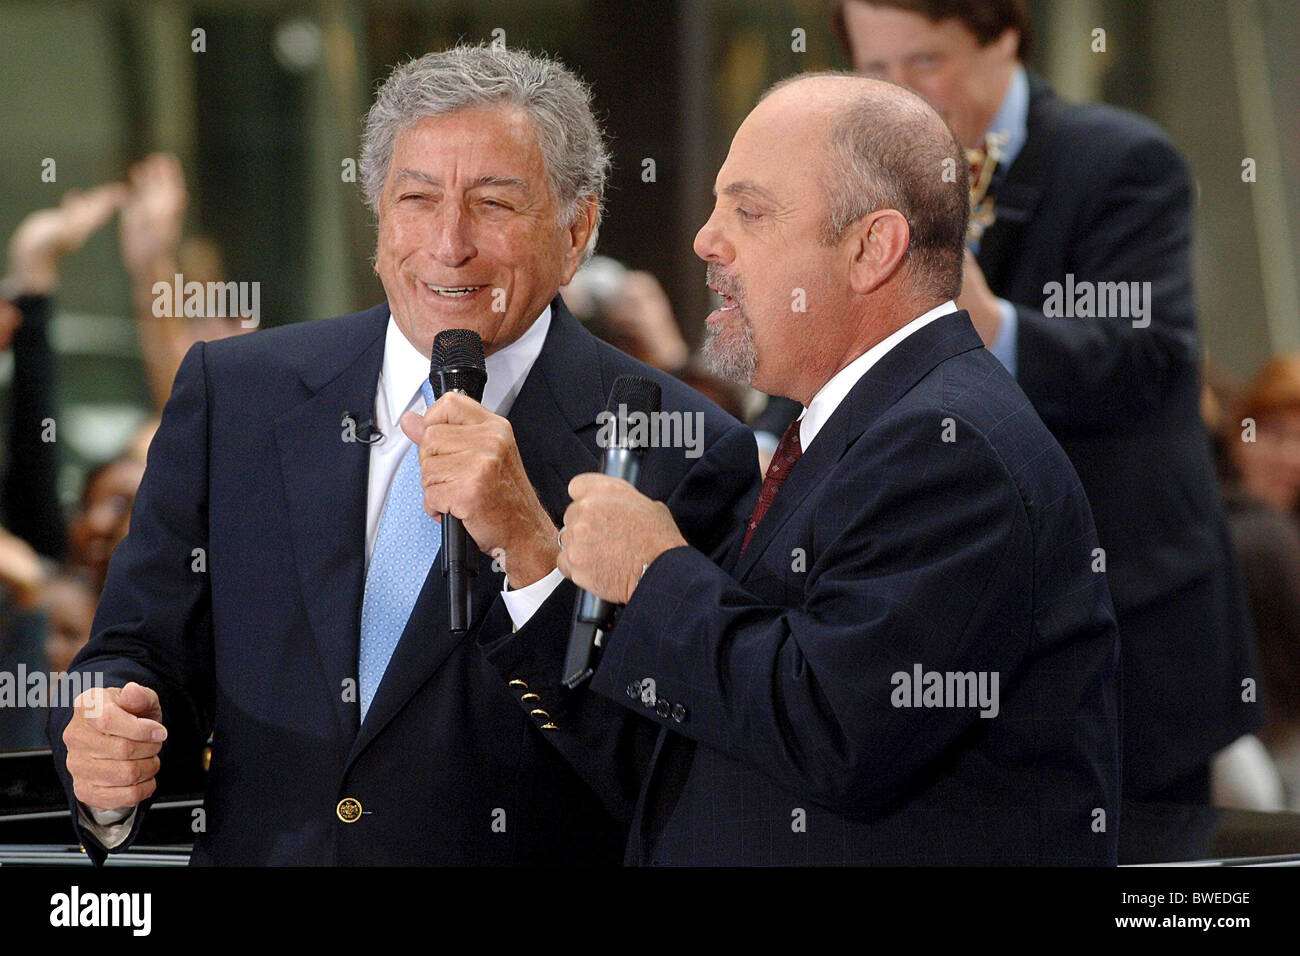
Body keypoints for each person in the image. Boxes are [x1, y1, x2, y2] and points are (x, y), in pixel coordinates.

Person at [47, 45, 759, 865]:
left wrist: (535, 555)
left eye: (493, 204)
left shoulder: (686, 447)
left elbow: (672, 772)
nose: (448, 244)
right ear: (380, 220)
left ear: (578, 229)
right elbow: (136, 651)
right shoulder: (238, 394)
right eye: (417, 199)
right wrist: (105, 743)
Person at [556, 72, 1121, 865]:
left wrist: (653, 571)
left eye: (748, 211)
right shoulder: (859, 424)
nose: (705, 240)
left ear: (871, 249)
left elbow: (833, 728)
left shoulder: (950, 448)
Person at [827, 0, 1259, 824]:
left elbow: (1156, 358)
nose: (900, 96)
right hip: (942, 639)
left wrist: (997, 329)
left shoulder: (1121, 160)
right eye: (876, 73)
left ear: (1005, 35)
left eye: (926, 63)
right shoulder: (864, 182)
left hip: (1131, 632)